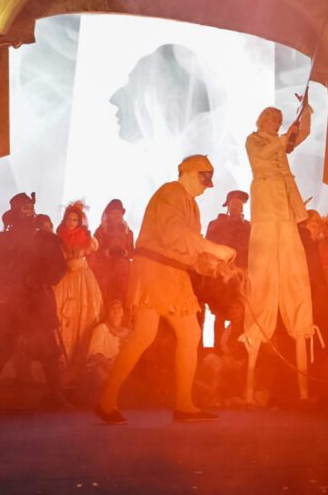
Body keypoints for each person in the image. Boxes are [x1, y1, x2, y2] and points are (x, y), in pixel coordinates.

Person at [95, 154, 237, 424]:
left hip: (172, 272)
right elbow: (175, 234)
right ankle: (182, 405)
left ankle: (108, 401)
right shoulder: (170, 192)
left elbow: (189, 251)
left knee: (146, 335)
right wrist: (214, 248)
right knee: (184, 332)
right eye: (202, 179)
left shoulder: (191, 206)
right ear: (187, 173)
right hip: (156, 269)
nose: (205, 187)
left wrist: (217, 266)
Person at [242, 102, 316, 405]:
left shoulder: (280, 143)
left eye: (279, 121)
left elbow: (300, 135)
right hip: (265, 210)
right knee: (262, 279)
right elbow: (262, 156)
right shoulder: (255, 140)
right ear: (263, 120)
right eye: (272, 120)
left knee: (295, 277)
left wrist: (306, 112)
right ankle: (247, 387)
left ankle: (303, 391)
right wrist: (283, 138)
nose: (276, 124)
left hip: (284, 212)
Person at [0, 194, 70, 408]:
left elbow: (59, 267)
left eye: (30, 208)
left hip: (38, 300)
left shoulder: (46, 239)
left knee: (48, 350)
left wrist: (40, 279)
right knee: (3, 348)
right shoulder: (2, 241)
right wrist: (8, 283)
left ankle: (56, 396)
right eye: (24, 209)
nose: (28, 213)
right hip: (11, 301)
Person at [54, 202, 104, 378]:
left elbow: (94, 248)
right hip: (64, 278)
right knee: (62, 314)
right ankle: (61, 362)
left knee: (83, 314)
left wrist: (80, 261)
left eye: (74, 219)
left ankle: (78, 361)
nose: (70, 222)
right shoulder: (59, 236)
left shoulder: (86, 237)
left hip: (82, 280)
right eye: (68, 219)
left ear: (79, 221)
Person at [196, 190, 251, 348]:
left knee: (239, 311)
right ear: (228, 206)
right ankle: (217, 348)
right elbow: (207, 247)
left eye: (239, 204)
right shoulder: (217, 224)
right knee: (219, 312)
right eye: (233, 204)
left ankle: (236, 349)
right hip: (219, 275)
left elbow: (251, 250)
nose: (236, 207)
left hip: (240, 276)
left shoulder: (248, 227)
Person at [91, 199, 134, 308]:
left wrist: (124, 252)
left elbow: (132, 252)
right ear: (108, 214)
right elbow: (94, 250)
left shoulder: (128, 232)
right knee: (104, 299)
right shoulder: (101, 231)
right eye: (114, 212)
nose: (117, 215)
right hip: (105, 272)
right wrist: (108, 252)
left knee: (121, 300)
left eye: (119, 213)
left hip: (122, 273)